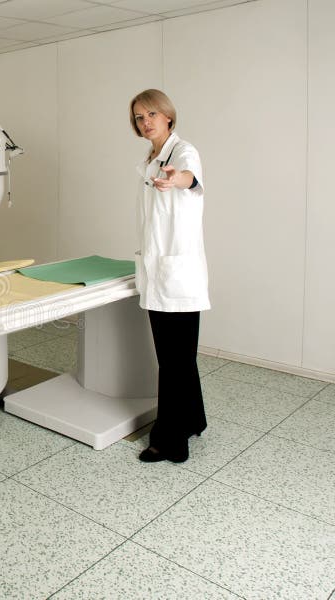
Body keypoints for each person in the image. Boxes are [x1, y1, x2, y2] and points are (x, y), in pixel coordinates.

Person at [129, 89, 209, 463]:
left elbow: (190, 178)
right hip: (161, 269)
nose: (145, 123)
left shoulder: (182, 152)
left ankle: (170, 441)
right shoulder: (152, 157)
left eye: (151, 115)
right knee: (180, 358)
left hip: (176, 273)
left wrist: (179, 179)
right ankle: (193, 420)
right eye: (139, 117)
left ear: (168, 117)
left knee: (173, 361)